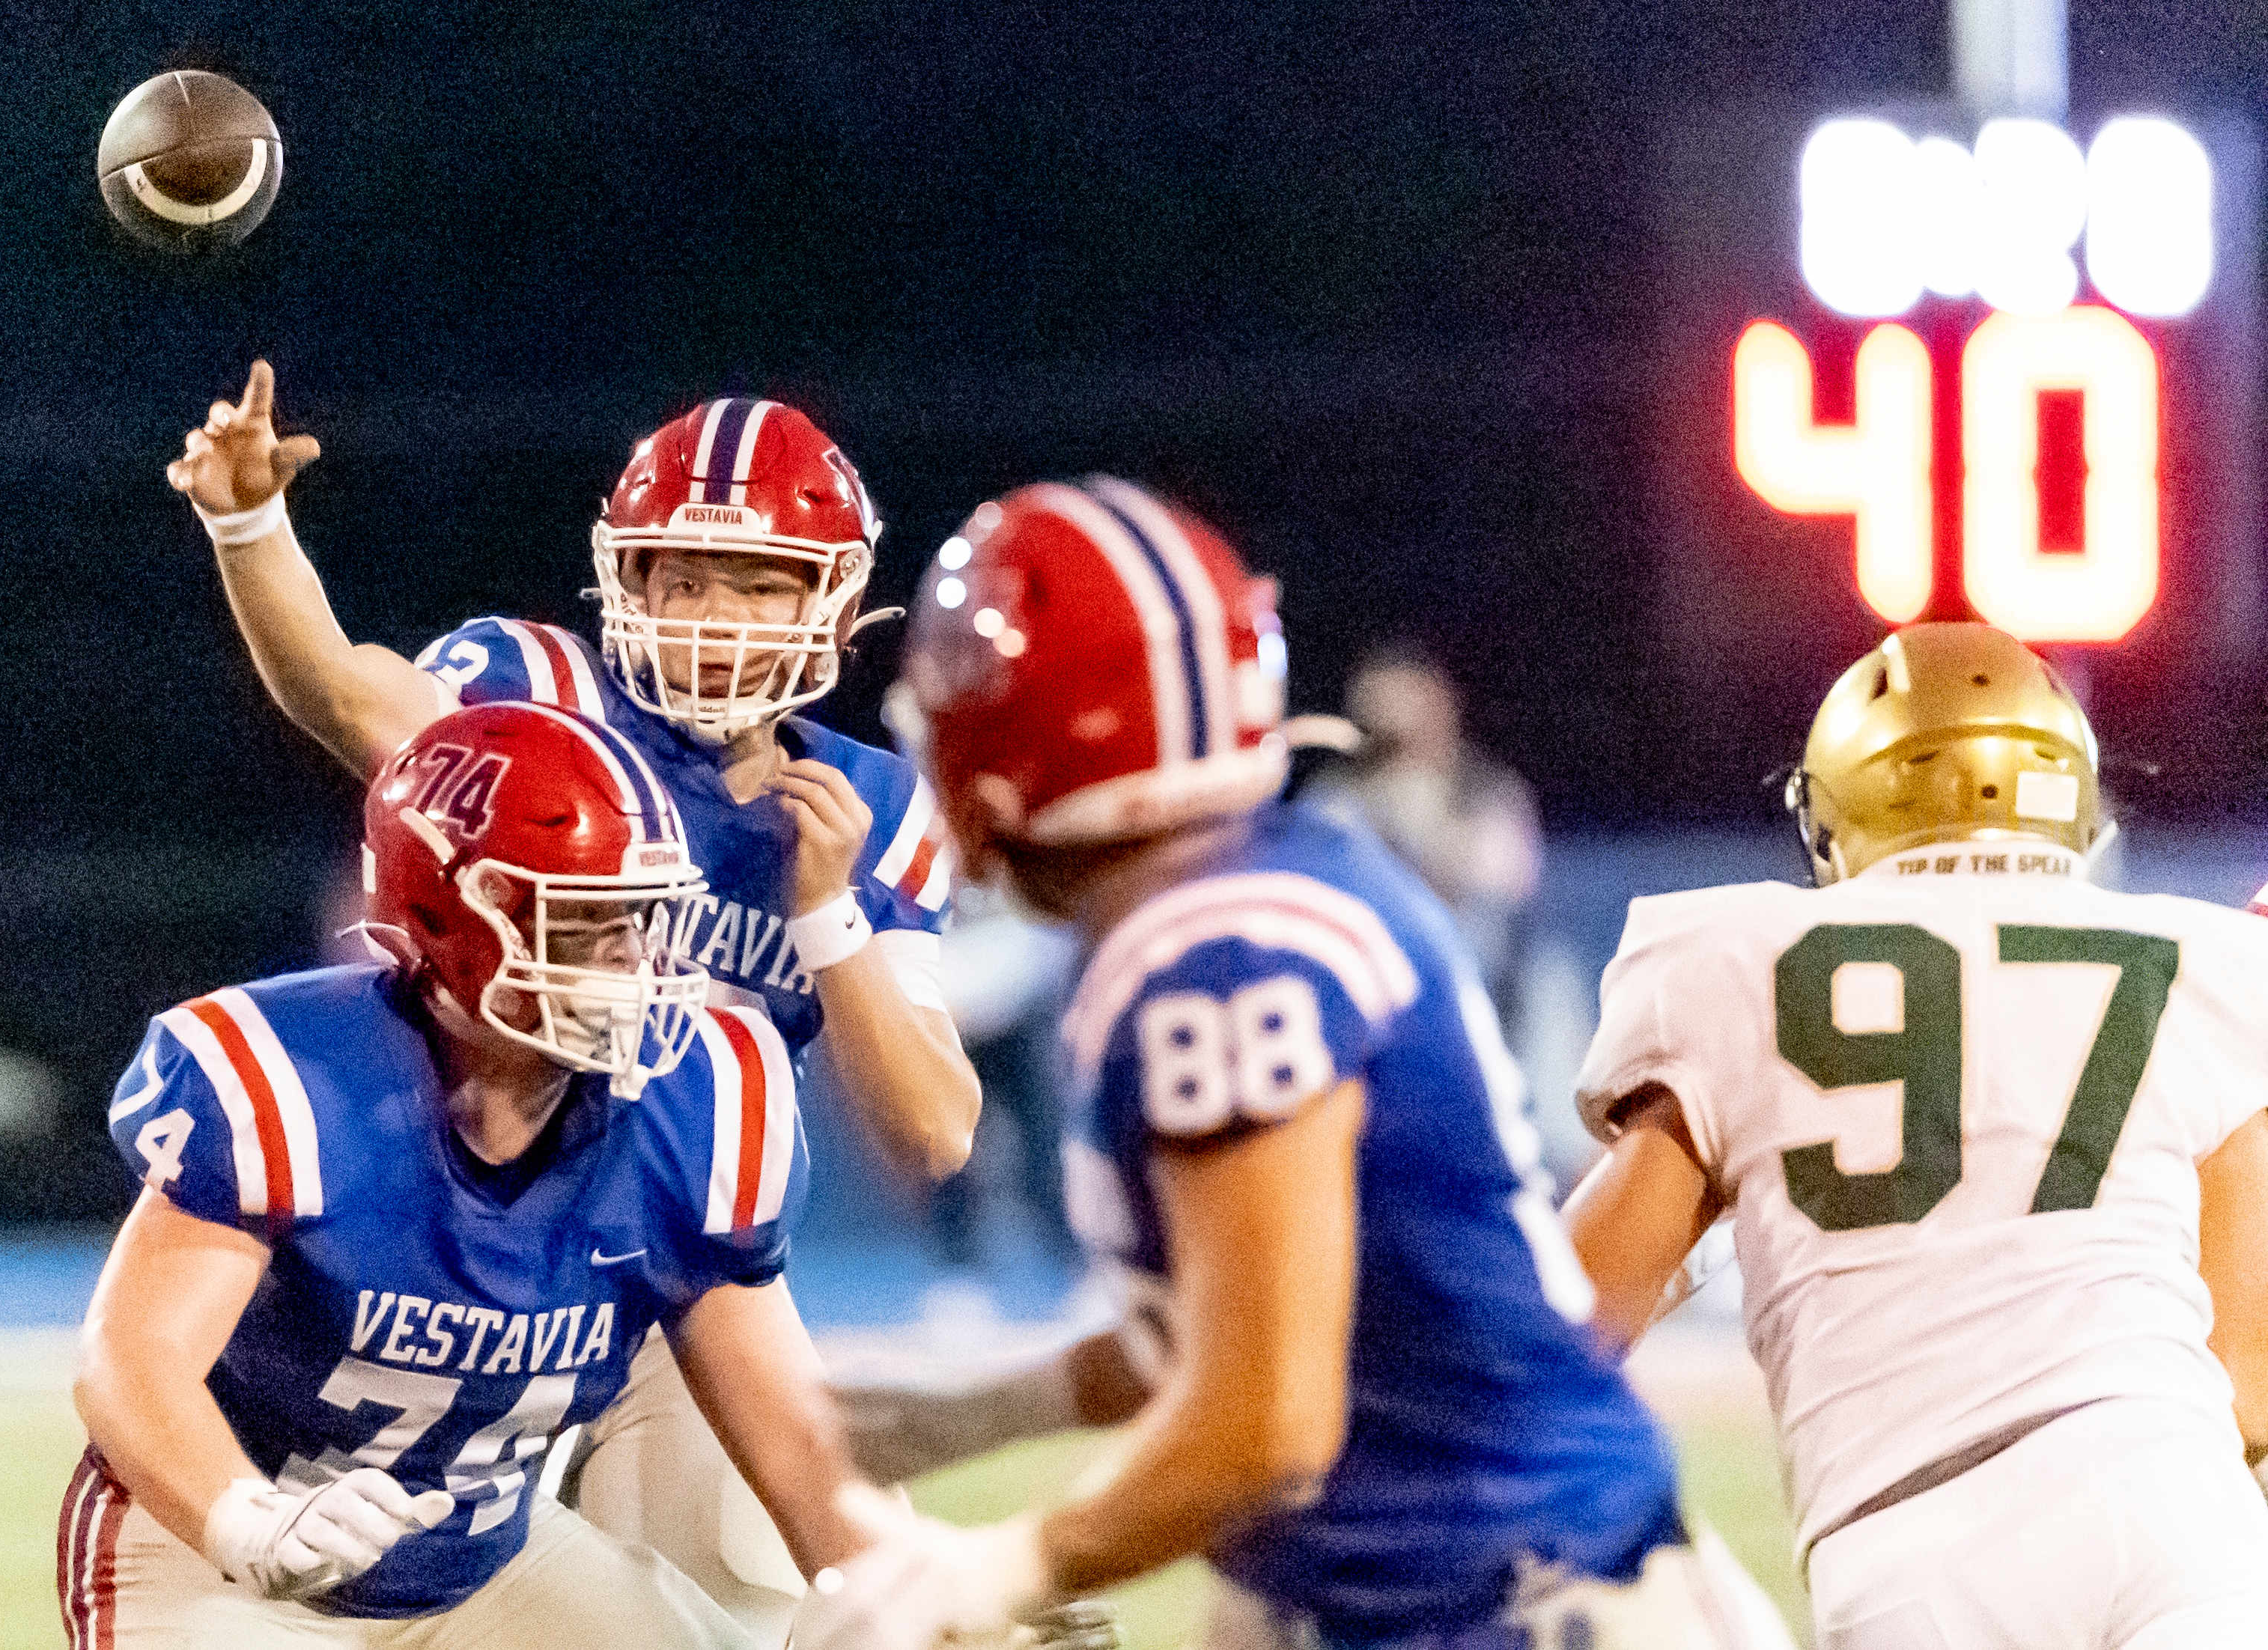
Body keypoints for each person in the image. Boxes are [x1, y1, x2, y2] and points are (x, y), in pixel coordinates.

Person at [803, 477, 1789, 1650]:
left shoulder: (1217, 958)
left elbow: (1263, 1421)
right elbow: (1251, 1315)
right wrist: (959, 1417)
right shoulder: (1270, 877)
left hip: (1505, 1601)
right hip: (1454, 1584)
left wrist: (1001, 1567)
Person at [162, 365, 977, 1640]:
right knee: (369, 1575)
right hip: (451, 1224)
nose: (718, 616)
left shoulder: (873, 813)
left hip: (667, 1271)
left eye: (760, 582)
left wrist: (831, 913)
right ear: (627, 582)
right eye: (683, 576)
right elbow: (345, 690)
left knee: (766, 1602)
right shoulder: (538, 694)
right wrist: (250, 526)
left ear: (834, 603)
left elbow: (935, 1127)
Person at [64, 701, 886, 1648]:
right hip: (220, 1553)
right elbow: (130, 1358)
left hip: (486, 1557)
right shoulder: (296, 1083)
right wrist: (243, 1518)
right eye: (584, 922)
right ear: (440, 916)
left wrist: (918, 1594)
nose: (632, 959)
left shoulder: (687, 1098)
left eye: (638, 916)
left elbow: (791, 1437)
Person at [1562, 622, 2268, 1648]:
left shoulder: (1735, 961)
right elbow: (2243, 1384)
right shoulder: (2200, 962)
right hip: (2167, 1508)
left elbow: (1564, 1323)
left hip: (1913, 1554)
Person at [1303, 648, 1542, 1004]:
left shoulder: (1489, 790)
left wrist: (1420, 832)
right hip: (1372, 978)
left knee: (1551, 978)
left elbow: (1506, 889)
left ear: (1441, 708)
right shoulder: (1335, 798)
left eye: (1410, 716)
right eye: (1384, 730)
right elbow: (1318, 892)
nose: (1399, 737)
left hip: (1484, 982)